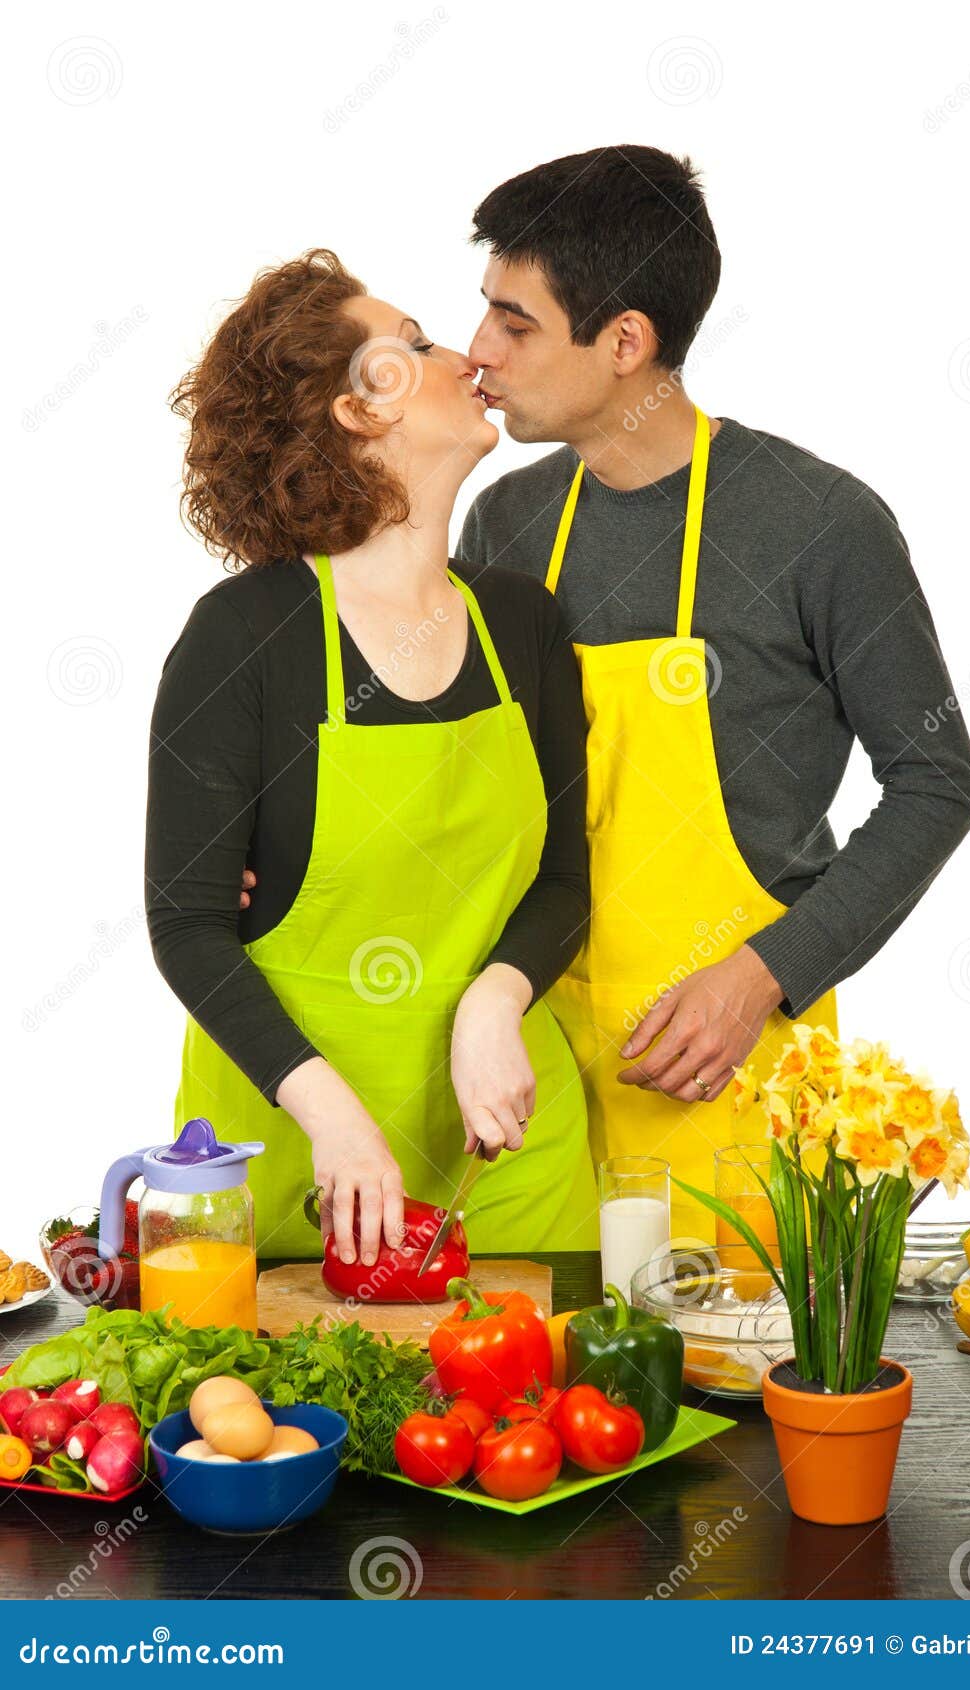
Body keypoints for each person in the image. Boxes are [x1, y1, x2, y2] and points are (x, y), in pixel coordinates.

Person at [457, 146, 970, 1239]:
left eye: (516, 324)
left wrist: (764, 975)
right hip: (524, 1078)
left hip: (731, 1087)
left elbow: (936, 782)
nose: (478, 354)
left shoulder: (820, 525)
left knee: (723, 1397)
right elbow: (460, 776)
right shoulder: (503, 525)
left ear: (626, 342)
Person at [145, 249, 598, 1265]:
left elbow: (564, 879)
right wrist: (334, 1120)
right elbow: (188, 922)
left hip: (512, 1160)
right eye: (420, 345)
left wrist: (498, 997)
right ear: (362, 410)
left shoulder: (521, 623)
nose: (466, 359)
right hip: (307, 1168)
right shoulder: (243, 638)